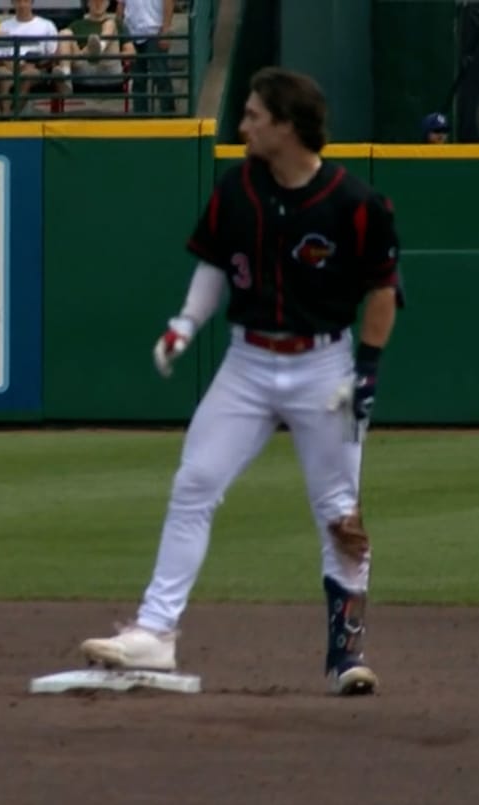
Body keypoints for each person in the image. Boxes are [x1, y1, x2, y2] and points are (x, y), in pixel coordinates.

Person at [78, 67, 404, 697]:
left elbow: (384, 290)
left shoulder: (354, 202)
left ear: (286, 125)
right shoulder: (238, 190)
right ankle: (155, 632)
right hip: (247, 362)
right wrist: (183, 324)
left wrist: (367, 370)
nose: (244, 123)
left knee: (339, 512)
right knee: (195, 481)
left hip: (323, 365)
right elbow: (213, 266)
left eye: (256, 115)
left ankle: (346, 656)